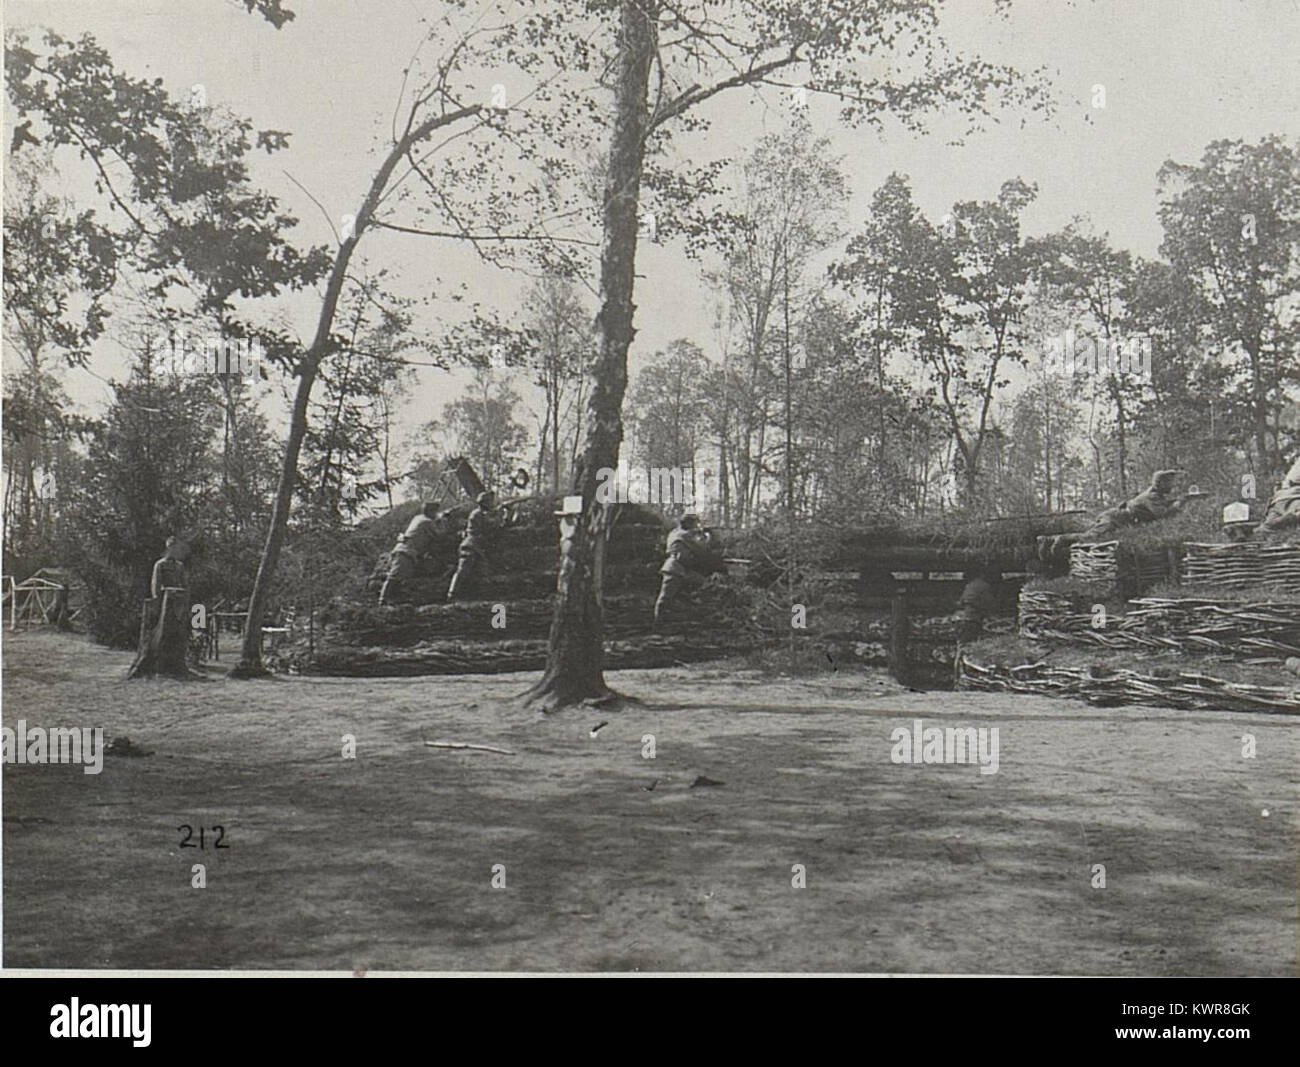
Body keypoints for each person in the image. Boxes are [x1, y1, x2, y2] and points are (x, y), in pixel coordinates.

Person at [1038, 470, 1191, 562]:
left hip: (1117, 518)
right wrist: (1179, 504)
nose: (1172, 486)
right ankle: (1059, 539)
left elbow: (1163, 507)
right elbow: (1162, 515)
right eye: (1169, 483)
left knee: (1090, 535)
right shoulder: (1151, 496)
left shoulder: (1156, 496)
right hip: (1115, 520)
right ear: (1160, 483)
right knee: (1090, 537)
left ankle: (1048, 539)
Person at [653, 514, 722, 625]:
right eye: (695, 523)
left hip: (682, 568)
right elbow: (701, 549)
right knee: (665, 598)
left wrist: (697, 533)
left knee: (703, 583)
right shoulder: (683, 535)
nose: (696, 526)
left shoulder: (675, 532)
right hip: (675, 568)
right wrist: (708, 536)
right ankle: (658, 623)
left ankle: (687, 610)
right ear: (689, 524)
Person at [379, 501, 442, 606]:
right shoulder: (427, 522)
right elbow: (439, 534)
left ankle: (390, 599)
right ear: (431, 512)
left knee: (401, 577)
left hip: (405, 550)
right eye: (435, 511)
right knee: (394, 576)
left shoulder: (418, 518)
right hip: (406, 551)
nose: (436, 514)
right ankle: (382, 599)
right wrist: (440, 521)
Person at [447, 491, 499, 601]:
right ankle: (452, 594)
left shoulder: (482, 513)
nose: (492, 504)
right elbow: (490, 525)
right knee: (463, 570)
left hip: (477, 547)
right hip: (471, 545)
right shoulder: (477, 514)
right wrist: (500, 514)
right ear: (484, 503)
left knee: (483, 571)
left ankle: (483, 598)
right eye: (490, 502)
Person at [1257, 455, 1300, 536]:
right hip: (1295, 498)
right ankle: (1292, 517)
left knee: (1268, 527)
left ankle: (1266, 526)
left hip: (1279, 499)